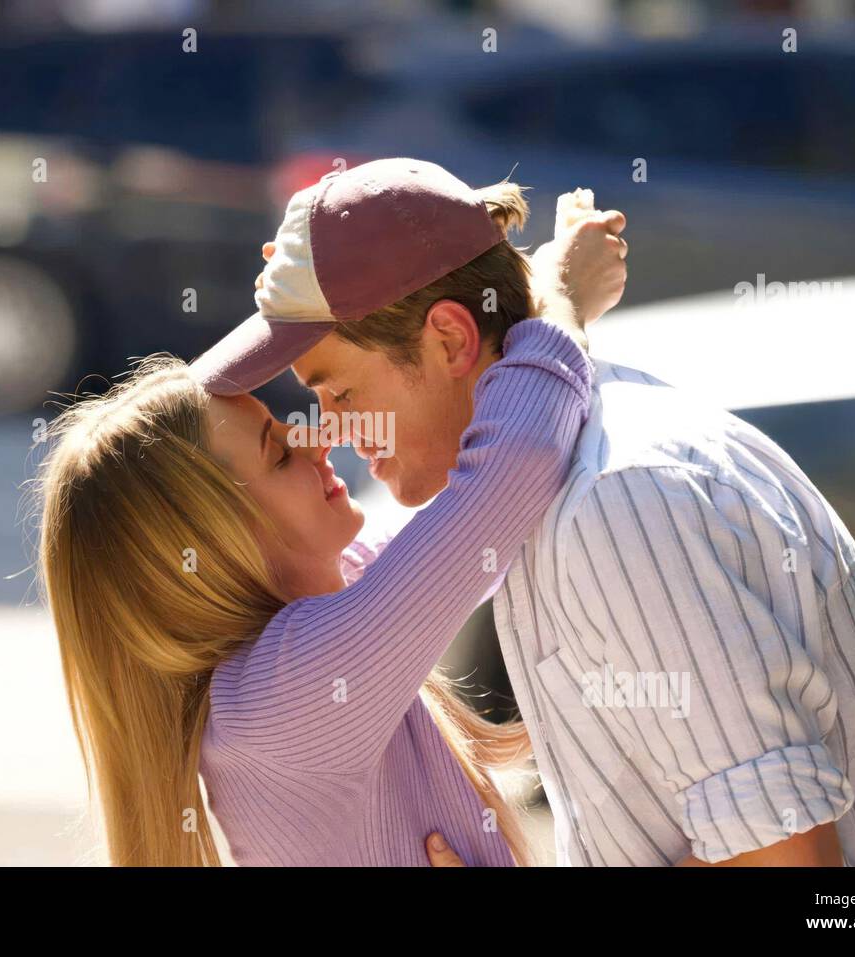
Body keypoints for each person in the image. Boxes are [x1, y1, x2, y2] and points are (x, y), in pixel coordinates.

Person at [242, 161, 855, 867]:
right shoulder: (565, 483)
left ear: (450, 339)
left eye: (338, 393)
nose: (331, 431)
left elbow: (781, 857)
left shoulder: (613, 505)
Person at [34, 160, 626, 865]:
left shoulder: (307, 622)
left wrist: (494, 285)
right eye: (279, 455)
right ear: (218, 544)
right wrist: (559, 300)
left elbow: (471, 513)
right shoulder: (289, 694)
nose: (318, 440)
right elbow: (510, 472)